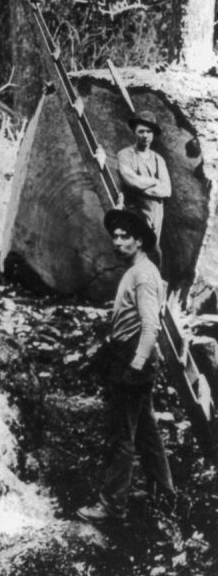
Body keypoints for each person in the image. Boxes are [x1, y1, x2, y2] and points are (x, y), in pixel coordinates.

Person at [76, 209, 176, 524]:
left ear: (139, 241)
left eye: (125, 237)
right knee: (147, 432)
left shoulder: (144, 275)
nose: (117, 242)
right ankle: (165, 494)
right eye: (115, 236)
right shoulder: (137, 272)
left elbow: (151, 327)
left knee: (121, 436)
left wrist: (134, 365)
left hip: (135, 359)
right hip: (129, 356)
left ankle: (111, 504)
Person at [117, 111, 171, 240]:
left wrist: (141, 188)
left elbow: (167, 190)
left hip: (157, 214)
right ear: (134, 132)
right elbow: (131, 181)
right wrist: (155, 181)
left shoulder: (159, 159)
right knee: (136, 246)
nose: (145, 135)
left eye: (148, 131)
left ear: (153, 135)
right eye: (141, 131)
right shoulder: (124, 155)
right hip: (136, 211)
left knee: (152, 250)